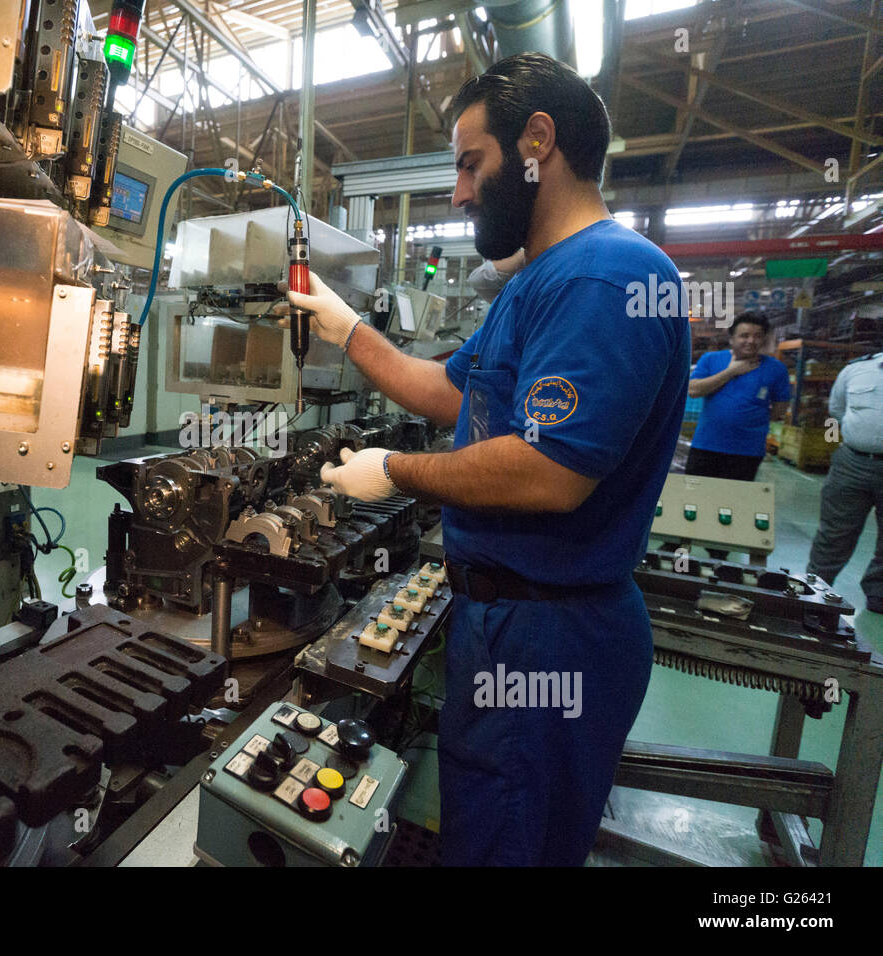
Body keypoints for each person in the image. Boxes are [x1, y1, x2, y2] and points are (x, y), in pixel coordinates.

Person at [277, 52, 689, 865]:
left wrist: (394, 472)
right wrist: (344, 326)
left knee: (507, 844)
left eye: (471, 164)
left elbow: (549, 472)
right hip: (510, 621)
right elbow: (446, 390)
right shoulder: (542, 282)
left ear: (539, 141)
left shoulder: (610, 276)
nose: (459, 192)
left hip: (550, 638)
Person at [807, 353, 883, 612]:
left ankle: (879, 594)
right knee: (835, 531)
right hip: (852, 462)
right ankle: (814, 587)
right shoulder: (857, 370)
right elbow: (837, 409)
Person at [686, 314, 789, 481]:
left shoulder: (776, 369)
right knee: (695, 499)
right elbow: (693, 390)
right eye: (744, 335)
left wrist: (753, 423)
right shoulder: (711, 360)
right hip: (706, 445)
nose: (751, 341)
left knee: (735, 502)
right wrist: (731, 372)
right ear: (732, 338)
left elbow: (780, 405)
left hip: (747, 451)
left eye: (757, 336)